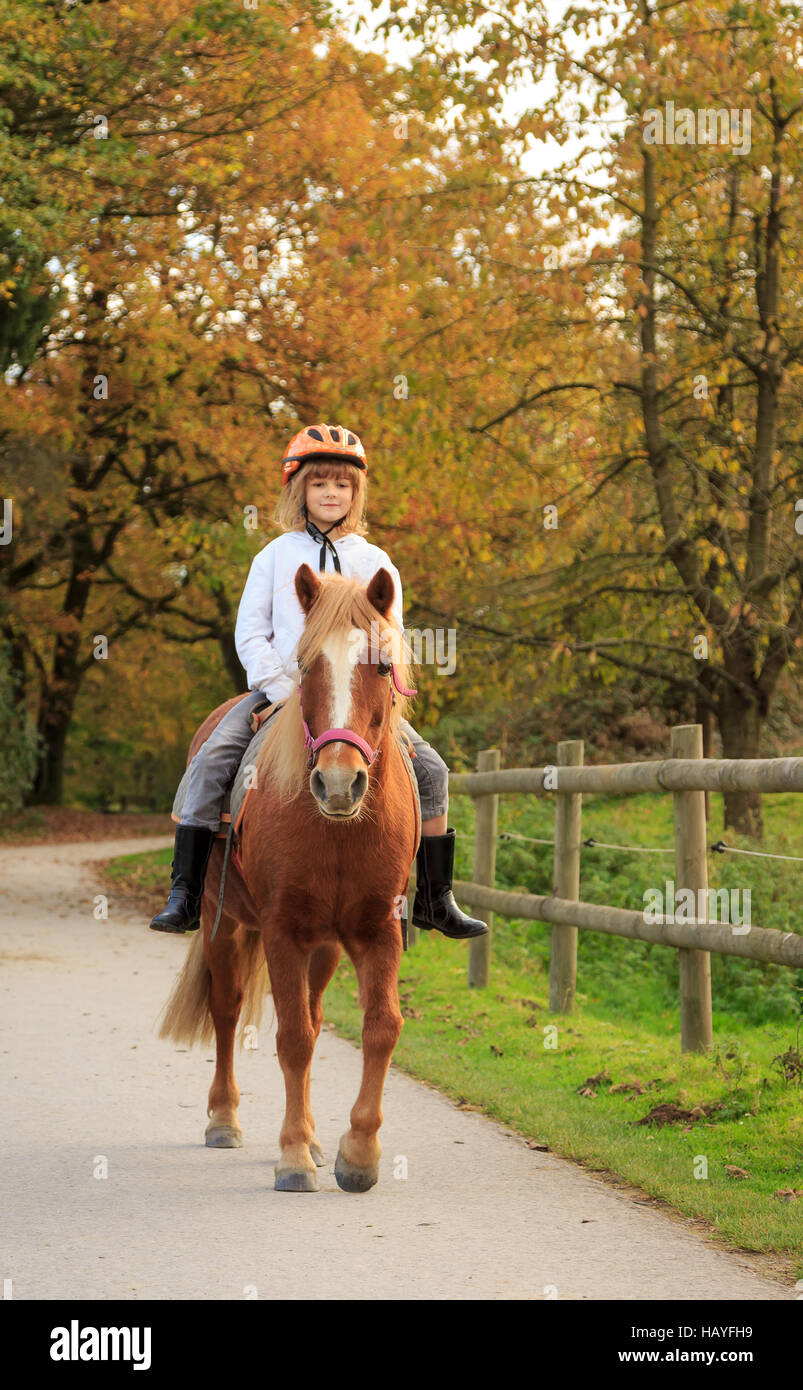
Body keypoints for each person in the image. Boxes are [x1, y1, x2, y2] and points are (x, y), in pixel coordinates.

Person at [150, 423, 488, 941]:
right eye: (320, 483)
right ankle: (186, 891)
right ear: (299, 490)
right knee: (212, 760)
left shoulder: (376, 562)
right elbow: (251, 632)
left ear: (356, 494)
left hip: (353, 704)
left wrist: (377, 691)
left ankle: (434, 898)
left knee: (434, 771)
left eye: (343, 485)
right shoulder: (275, 556)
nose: (332, 493)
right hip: (282, 691)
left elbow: (391, 638)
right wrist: (282, 687)